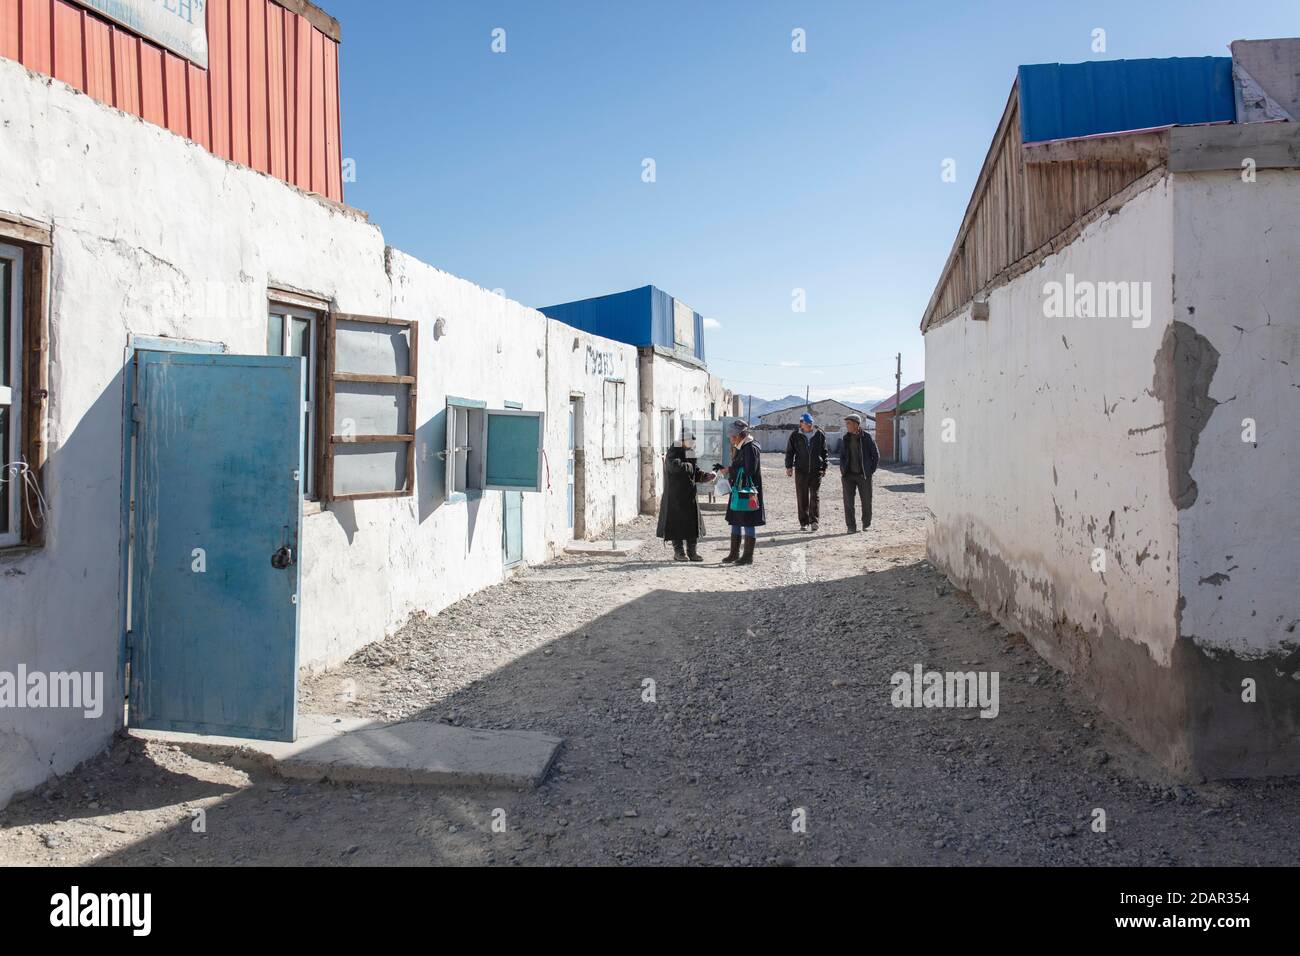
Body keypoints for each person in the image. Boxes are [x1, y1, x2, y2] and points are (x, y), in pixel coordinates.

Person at [656, 431, 716, 562]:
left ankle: (692, 552)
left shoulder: (690, 451)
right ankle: (679, 553)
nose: (692, 444)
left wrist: (705, 476)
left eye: (694, 442)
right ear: (683, 440)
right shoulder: (674, 451)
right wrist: (690, 466)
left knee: (692, 523)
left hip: (689, 495)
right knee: (676, 524)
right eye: (690, 441)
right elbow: (675, 467)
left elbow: (695, 470)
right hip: (676, 496)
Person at [717, 419, 765, 565]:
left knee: (748, 522)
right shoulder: (743, 446)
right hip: (739, 490)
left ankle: (747, 556)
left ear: (739, 435)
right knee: (736, 520)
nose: (730, 439)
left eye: (732, 436)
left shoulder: (750, 448)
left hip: (747, 492)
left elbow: (750, 470)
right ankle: (734, 553)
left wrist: (730, 470)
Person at [784, 412, 827, 532]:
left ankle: (814, 521)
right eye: (807, 423)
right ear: (801, 423)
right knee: (802, 497)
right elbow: (790, 452)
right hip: (801, 470)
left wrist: (824, 467)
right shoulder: (795, 435)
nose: (809, 425)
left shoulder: (819, 434)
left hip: (816, 470)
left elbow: (824, 452)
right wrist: (789, 467)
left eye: (811, 423)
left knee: (815, 496)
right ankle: (804, 522)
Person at [840, 414, 879, 533]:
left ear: (856, 424)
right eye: (846, 423)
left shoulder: (866, 437)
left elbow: (875, 455)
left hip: (864, 475)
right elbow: (842, 456)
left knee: (866, 501)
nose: (847, 426)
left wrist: (869, 471)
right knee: (848, 503)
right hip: (848, 476)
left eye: (849, 423)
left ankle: (866, 524)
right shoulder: (845, 438)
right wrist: (843, 471)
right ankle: (851, 527)